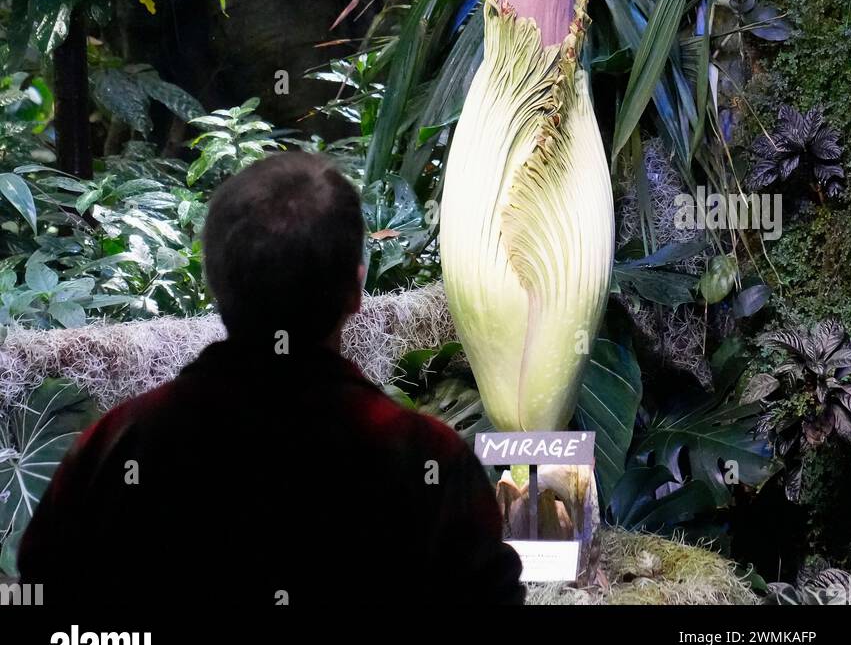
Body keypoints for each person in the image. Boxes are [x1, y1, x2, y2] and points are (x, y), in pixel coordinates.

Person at [18, 151, 524, 609]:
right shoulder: (426, 461)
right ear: (356, 288)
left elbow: (50, 589)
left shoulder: (116, 448)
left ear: (213, 281)